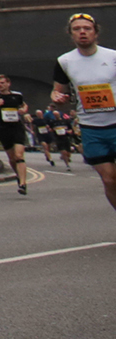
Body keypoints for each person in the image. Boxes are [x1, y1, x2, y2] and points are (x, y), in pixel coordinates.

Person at [55, 13, 116, 214]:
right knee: (109, 180)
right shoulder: (64, 61)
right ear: (71, 34)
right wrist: (57, 97)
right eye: (77, 29)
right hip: (91, 128)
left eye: (87, 28)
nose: (82, 32)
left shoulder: (113, 57)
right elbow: (58, 91)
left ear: (96, 33)